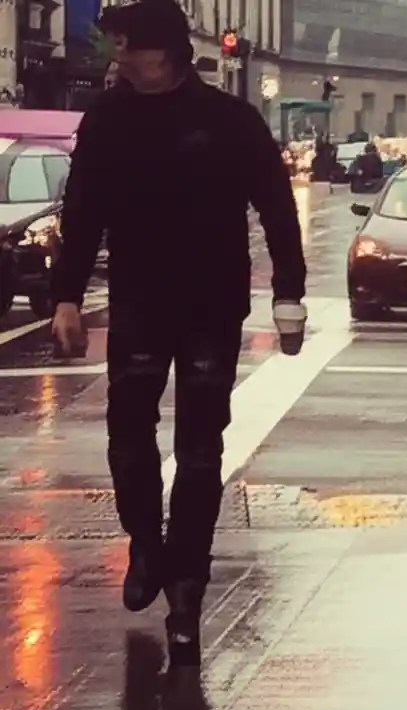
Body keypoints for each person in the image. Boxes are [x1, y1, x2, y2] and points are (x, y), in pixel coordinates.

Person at [49, 0, 306, 668]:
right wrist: (67, 298)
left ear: (157, 51)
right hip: (137, 301)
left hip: (211, 306)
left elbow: (277, 207)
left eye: (121, 45)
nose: (113, 56)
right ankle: (145, 541)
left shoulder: (228, 120)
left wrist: (289, 296)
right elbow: (82, 209)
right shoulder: (107, 118)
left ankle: (186, 587)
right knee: (128, 433)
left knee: (199, 449)